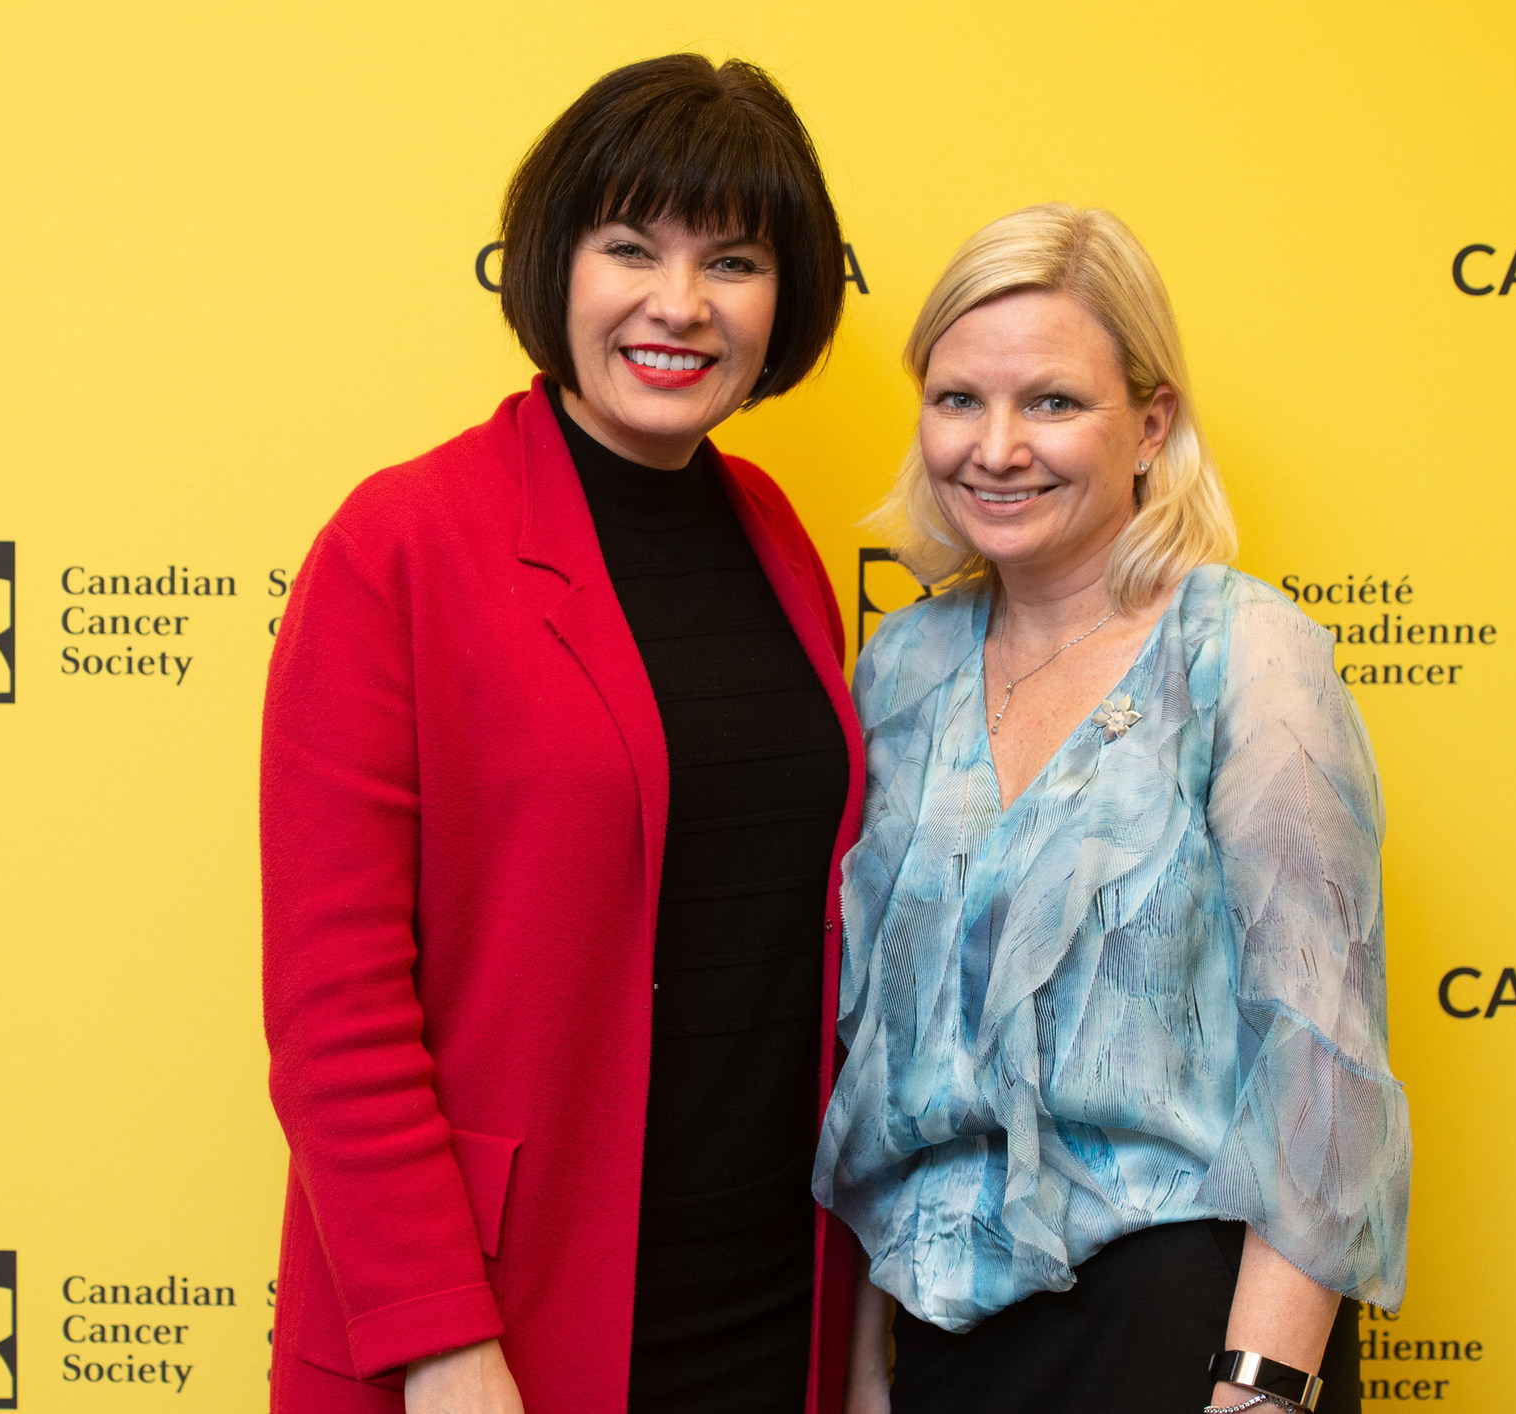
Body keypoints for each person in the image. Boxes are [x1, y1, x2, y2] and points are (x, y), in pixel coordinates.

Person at [259, 54, 867, 1414]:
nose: (680, 304)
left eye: (735, 260)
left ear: (790, 298)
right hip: (508, 1312)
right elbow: (333, 1001)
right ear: (552, 267)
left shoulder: (772, 533)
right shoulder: (400, 544)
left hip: (771, 1295)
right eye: (630, 246)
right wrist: (439, 1339)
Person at [816, 204, 1410, 1414]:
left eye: (1051, 402)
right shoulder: (902, 669)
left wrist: (1258, 1389)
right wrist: (869, 1367)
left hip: (1178, 1331)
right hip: (944, 1339)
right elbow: (879, 1071)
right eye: (957, 400)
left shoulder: (1244, 656)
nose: (995, 447)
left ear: (1151, 422)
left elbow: (1325, 1075)